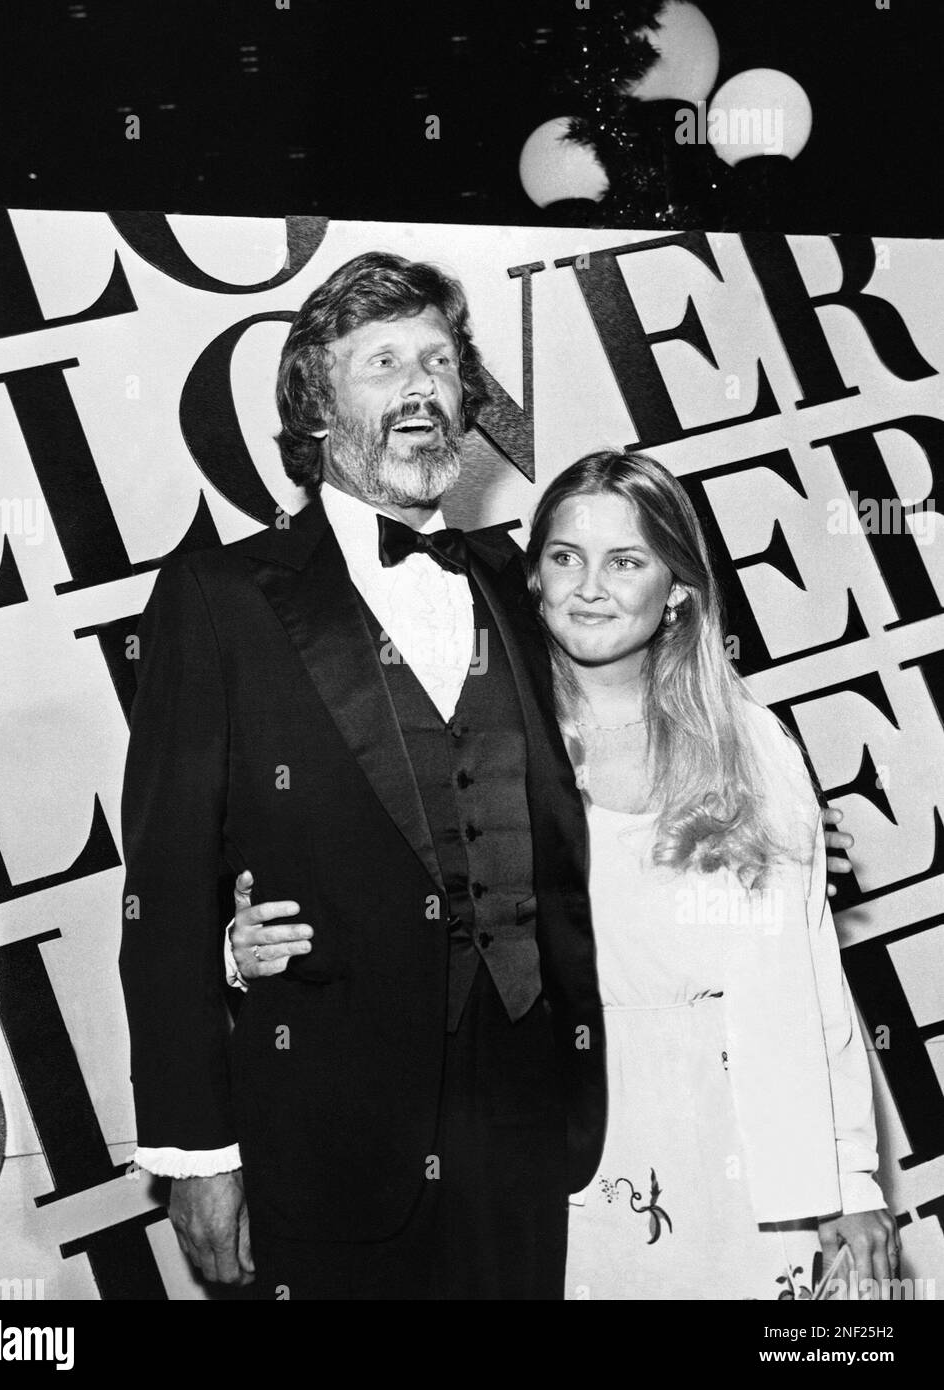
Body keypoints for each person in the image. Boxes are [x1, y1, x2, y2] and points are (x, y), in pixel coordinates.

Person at [233, 449, 894, 1300]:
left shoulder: (750, 744)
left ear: (679, 588)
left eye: (626, 561)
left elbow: (805, 982)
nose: (590, 586)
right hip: (551, 1131)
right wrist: (241, 947)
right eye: (563, 557)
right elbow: (379, 898)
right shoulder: (482, 736)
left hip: (743, 1137)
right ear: (531, 579)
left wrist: (847, 1182)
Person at [118, 251, 606, 1301]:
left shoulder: (521, 581)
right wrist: (198, 1156)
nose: (423, 386)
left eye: (439, 360)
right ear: (317, 402)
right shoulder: (217, 595)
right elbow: (160, 895)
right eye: (384, 361)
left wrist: (773, 826)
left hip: (528, 1116)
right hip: (329, 1130)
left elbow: (631, 739)